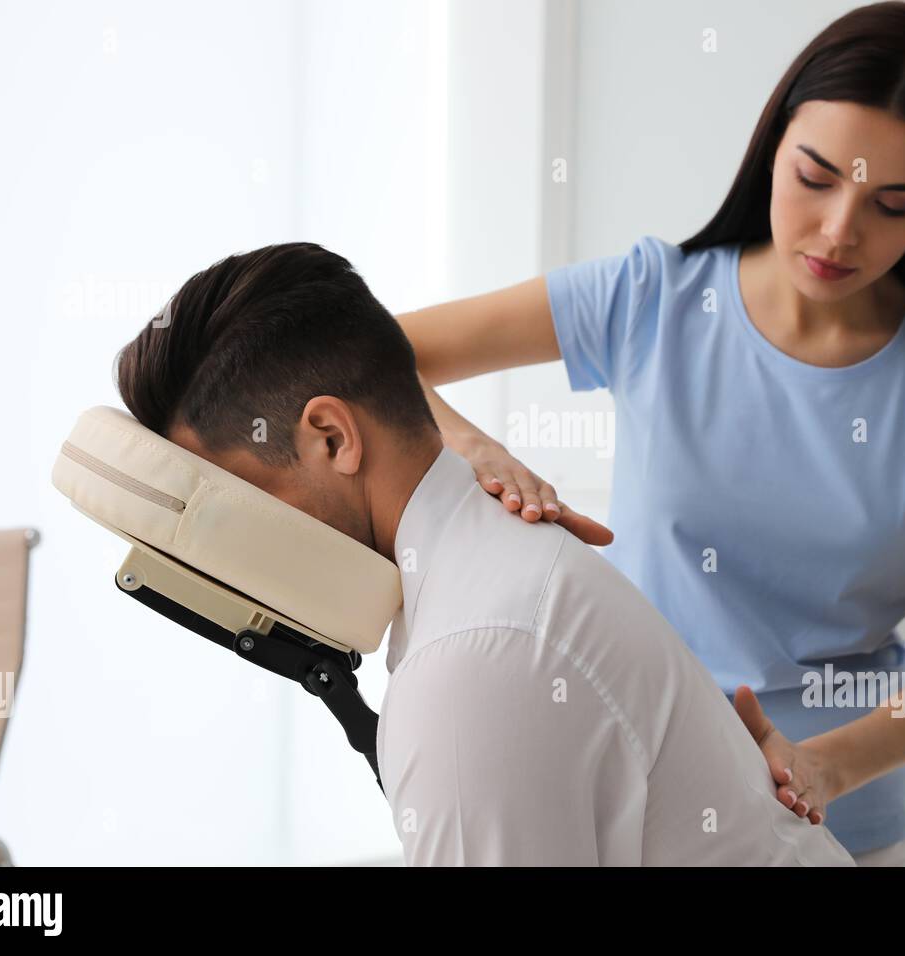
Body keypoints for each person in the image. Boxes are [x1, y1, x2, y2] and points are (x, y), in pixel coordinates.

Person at [394, 1, 905, 864]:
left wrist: (819, 769)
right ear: (773, 142)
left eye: (893, 204)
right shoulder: (649, 299)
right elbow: (375, 351)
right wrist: (473, 449)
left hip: (841, 831)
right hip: (630, 798)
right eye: (815, 178)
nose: (838, 231)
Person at [113, 241, 856, 867]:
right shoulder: (492, 575)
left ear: (332, 438)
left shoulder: (470, 664)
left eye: (241, 495)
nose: (239, 545)